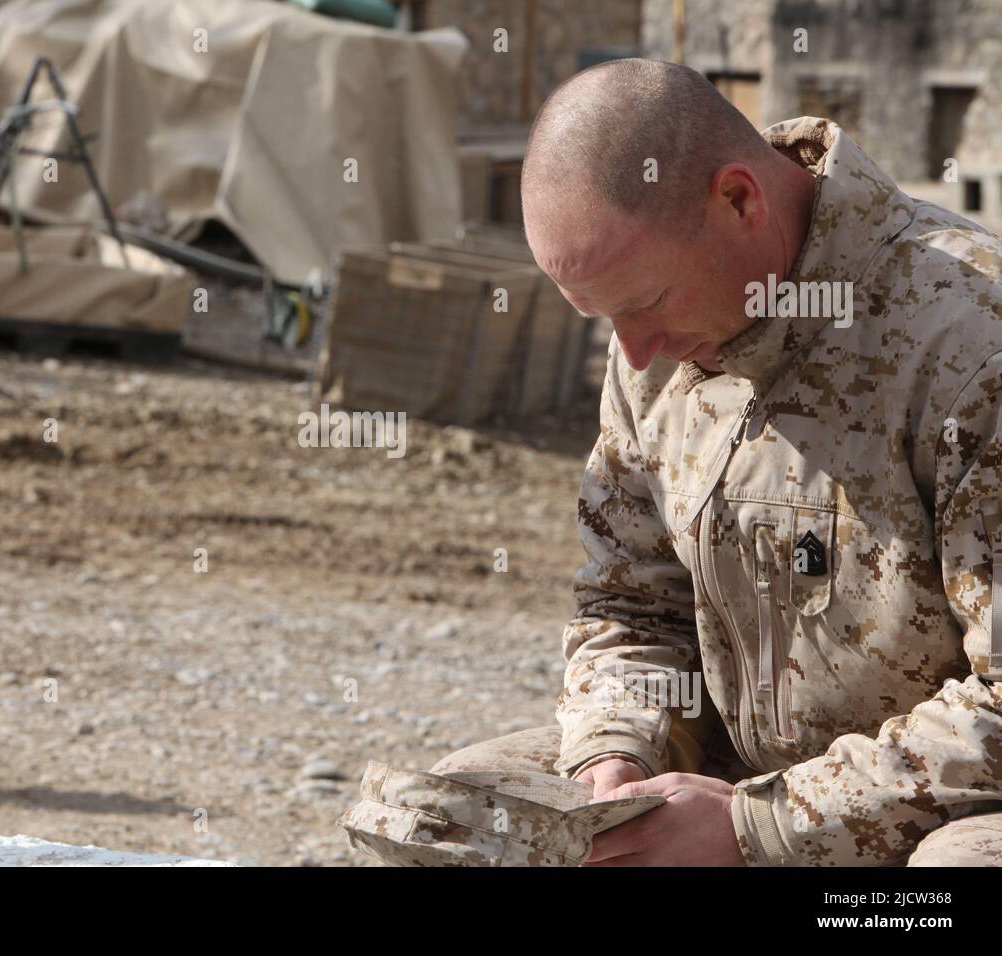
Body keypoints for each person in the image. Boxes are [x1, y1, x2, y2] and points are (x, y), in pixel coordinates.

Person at [428, 58, 1002, 866]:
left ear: (739, 199)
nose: (634, 354)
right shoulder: (656, 344)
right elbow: (631, 606)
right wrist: (616, 752)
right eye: (600, 318)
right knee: (465, 811)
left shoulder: (973, 340)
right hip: (742, 786)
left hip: (954, 810)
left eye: (645, 305)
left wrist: (759, 828)